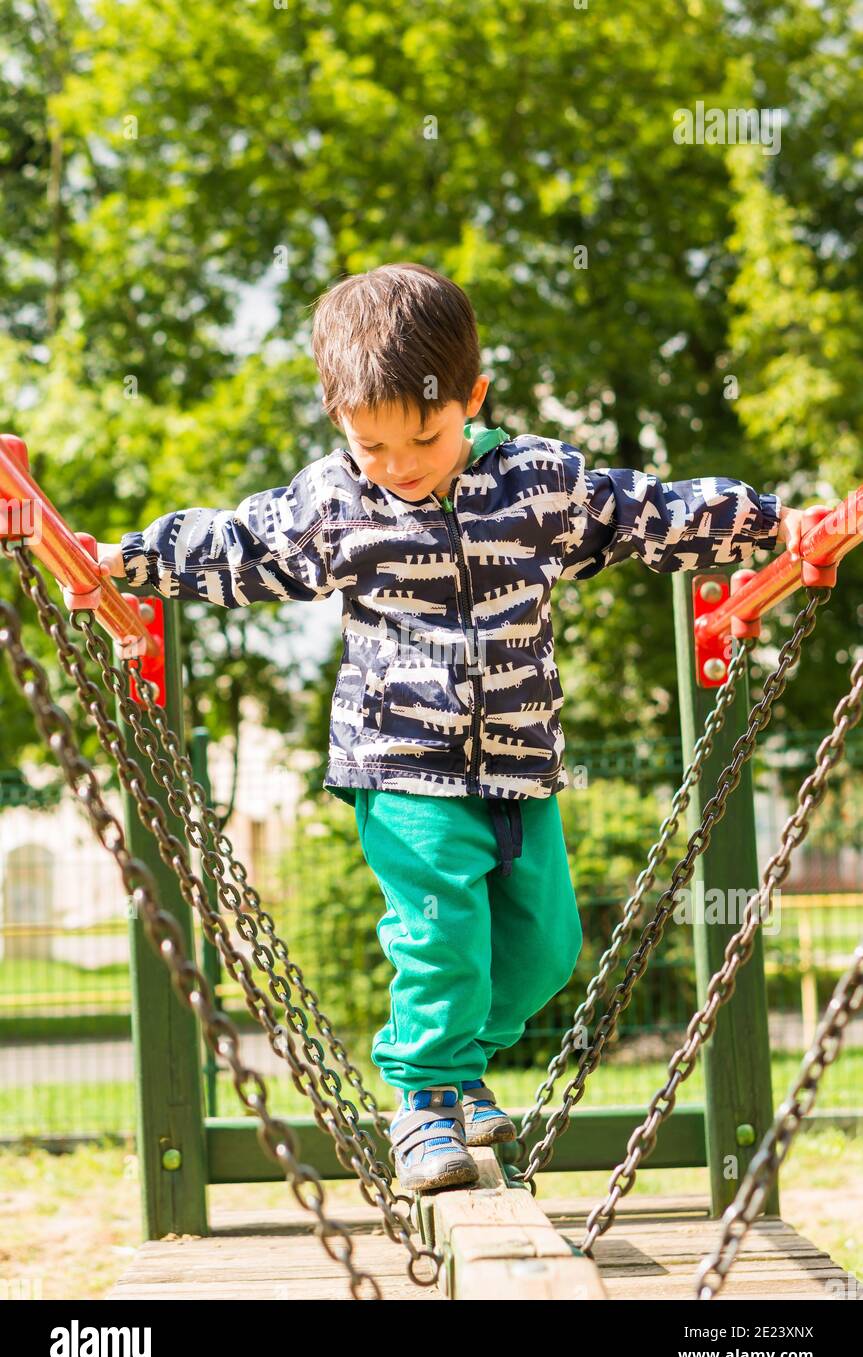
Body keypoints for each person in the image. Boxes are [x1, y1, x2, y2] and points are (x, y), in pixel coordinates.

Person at [71, 262, 834, 1194]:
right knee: (440, 934)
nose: (395, 466)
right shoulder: (333, 503)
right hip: (401, 764)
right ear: (339, 422)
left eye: (421, 438)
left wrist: (774, 521)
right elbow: (240, 544)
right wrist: (121, 558)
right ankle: (425, 1101)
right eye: (370, 446)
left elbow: (648, 512)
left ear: (472, 398)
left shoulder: (538, 483)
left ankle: (458, 1063)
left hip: (519, 765)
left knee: (546, 951)